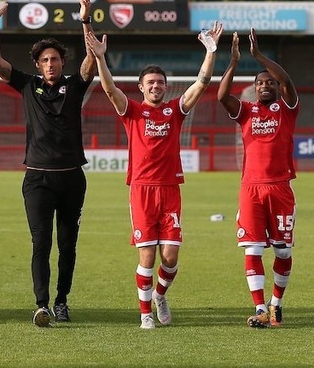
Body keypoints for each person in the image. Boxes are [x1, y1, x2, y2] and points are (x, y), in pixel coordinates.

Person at [87, 22, 219, 329]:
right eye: (151, 82)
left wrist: (210, 50)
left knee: (170, 257)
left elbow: (201, 83)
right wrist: (100, 59)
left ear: (165, 86)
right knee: (147, 258)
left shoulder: (175, 111)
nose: (156, 86)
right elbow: (108, 88)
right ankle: (145, 312)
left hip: (170, 189)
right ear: (142, 87)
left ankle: (160, 295)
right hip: (142, 190)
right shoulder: (132, 111)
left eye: (160, 82)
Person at [0, 0, 96, 327]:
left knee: (67, 246)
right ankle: (42, 305)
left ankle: (62, 301)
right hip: (37, 179)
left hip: (71, 177)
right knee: (40, 243)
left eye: (55, 59)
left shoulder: (75, 86)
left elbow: (93, 61)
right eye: (45, 60)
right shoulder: (26, 85)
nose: (50, 64)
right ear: (37, 65)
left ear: (63, 63)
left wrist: (85, 20)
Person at [216, 28, 298, 329]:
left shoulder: (287, 109)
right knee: (252, 248)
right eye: (260, 82)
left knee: (283, 250)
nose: (265, 85)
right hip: (250, 189)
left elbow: (287, 80)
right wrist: (235, 62)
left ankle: (277, 304)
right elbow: (222, 96)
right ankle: (261, 308)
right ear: (254, 89)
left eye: (269, 82)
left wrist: (259, 56)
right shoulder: (246, 111)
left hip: (280, 188)